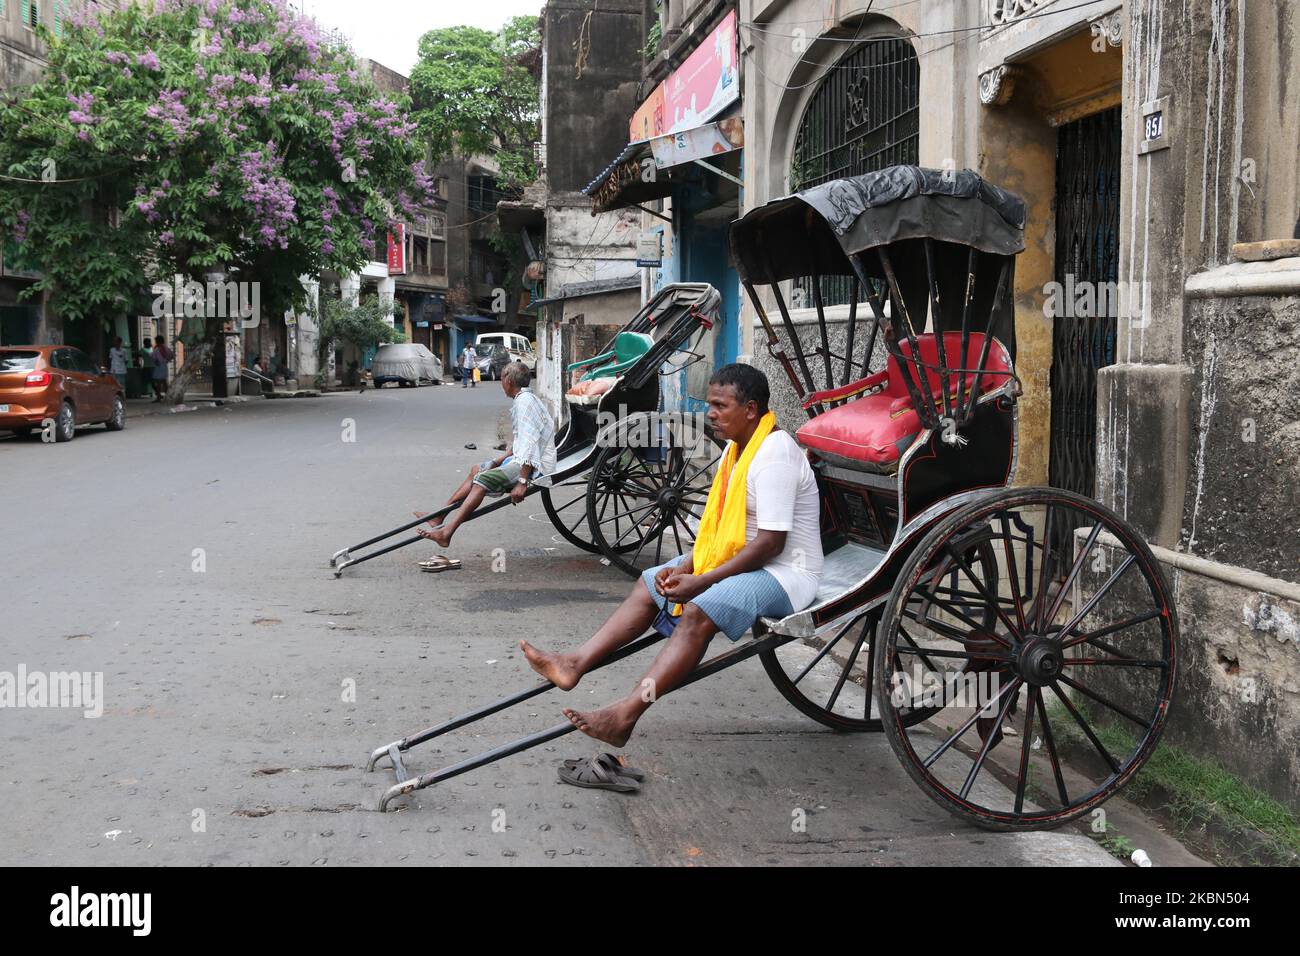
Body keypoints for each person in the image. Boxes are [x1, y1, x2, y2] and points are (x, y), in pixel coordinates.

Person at [519, 364, 823, 748]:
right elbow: (719, 526)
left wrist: (703, 581)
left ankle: (625, 714)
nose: (710, 413)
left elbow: (769, 544)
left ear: (750, 409)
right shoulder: (736, 449)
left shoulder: (774, 454)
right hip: (753, 563)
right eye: (709, 403)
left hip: (786, 573)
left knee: (699, 609)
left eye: (719, 405)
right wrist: (687, 564)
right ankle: (574, 664)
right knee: (650, 584)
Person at [415, 362, 554, 548]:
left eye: (502, 379)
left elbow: (529, 445)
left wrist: (522, 482)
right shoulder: (525, 398)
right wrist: (497, 461)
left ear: (509, 381)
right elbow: (521, 440)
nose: (501, 383)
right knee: (476, 469)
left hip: (530, 466)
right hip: (519, 458)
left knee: (482, 479)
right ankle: (440, 515)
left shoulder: (525, 403)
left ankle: (446, 533)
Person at [150, 334, 174, 402]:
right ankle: (168, 396)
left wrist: (156, 361)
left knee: (158, 383)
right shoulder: (166, 348)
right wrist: (167, 360)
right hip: (164, 366)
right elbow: (172, 355)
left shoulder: (157, 348)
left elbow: (153, 356)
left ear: (157, 341)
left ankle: (158, 397)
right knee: (164, 382)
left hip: (158, 367)